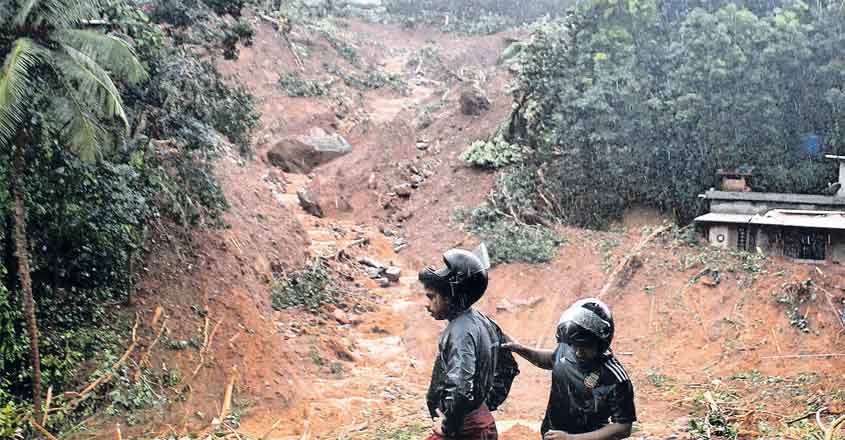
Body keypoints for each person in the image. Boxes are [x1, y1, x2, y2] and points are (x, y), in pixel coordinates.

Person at [420, 246, 519, 440]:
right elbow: (508, 366)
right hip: (477, 423)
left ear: (450, 296)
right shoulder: (483, 321)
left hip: (465, 429)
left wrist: (449, 425)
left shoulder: (460, 332)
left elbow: (460, 389)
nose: (427, 304)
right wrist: (483, 406)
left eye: (431, 297)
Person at [502, 298, 635, 440]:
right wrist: (521, 349)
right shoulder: (568, 346)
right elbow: (552, 360)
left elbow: (623, 427)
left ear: (600, 341)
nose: (577, 352)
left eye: (584, 347)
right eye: (574, 345)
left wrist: (570, 438)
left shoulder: (615, 378)